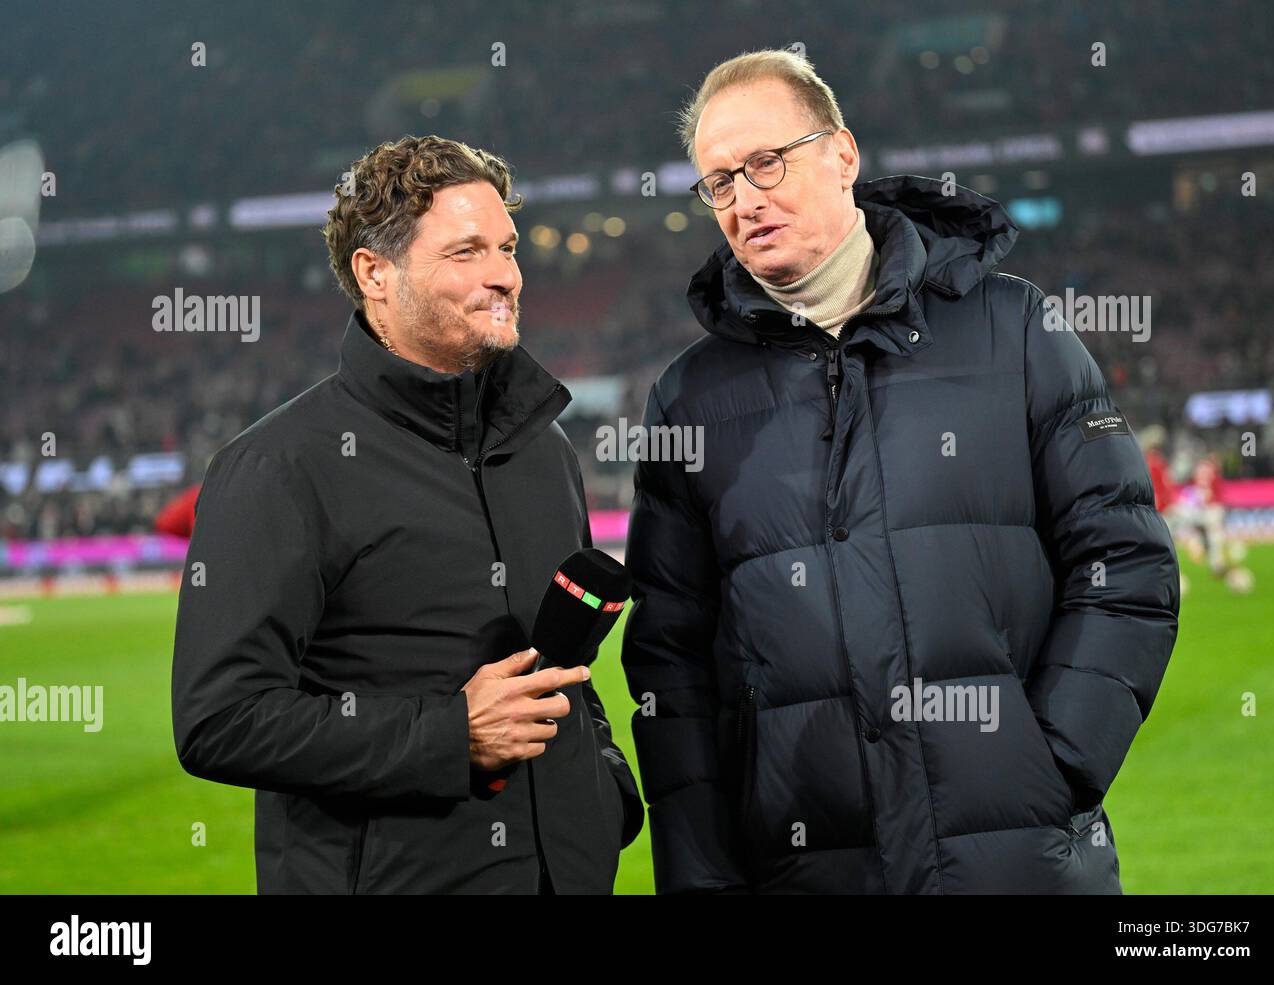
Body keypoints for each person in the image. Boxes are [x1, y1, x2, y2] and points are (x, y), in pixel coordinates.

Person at [621, 49, 1179, 893]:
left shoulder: (1013, 329)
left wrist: (1053, 765)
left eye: (766, 162)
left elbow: (1126, 563)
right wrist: (701, 873)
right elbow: (670, 664)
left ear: (842, 153)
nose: (744, 199)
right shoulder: (688, 400)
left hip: (1015, 863)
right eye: (719, 182)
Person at [172, 134, 642, 894]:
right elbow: (219, 719)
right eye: (466, 252)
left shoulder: (544, 449)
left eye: (508, 247)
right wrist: (449, 735)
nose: (505, 276)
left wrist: (604, 788)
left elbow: (560, 669)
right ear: (375, 273)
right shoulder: (280, 466)